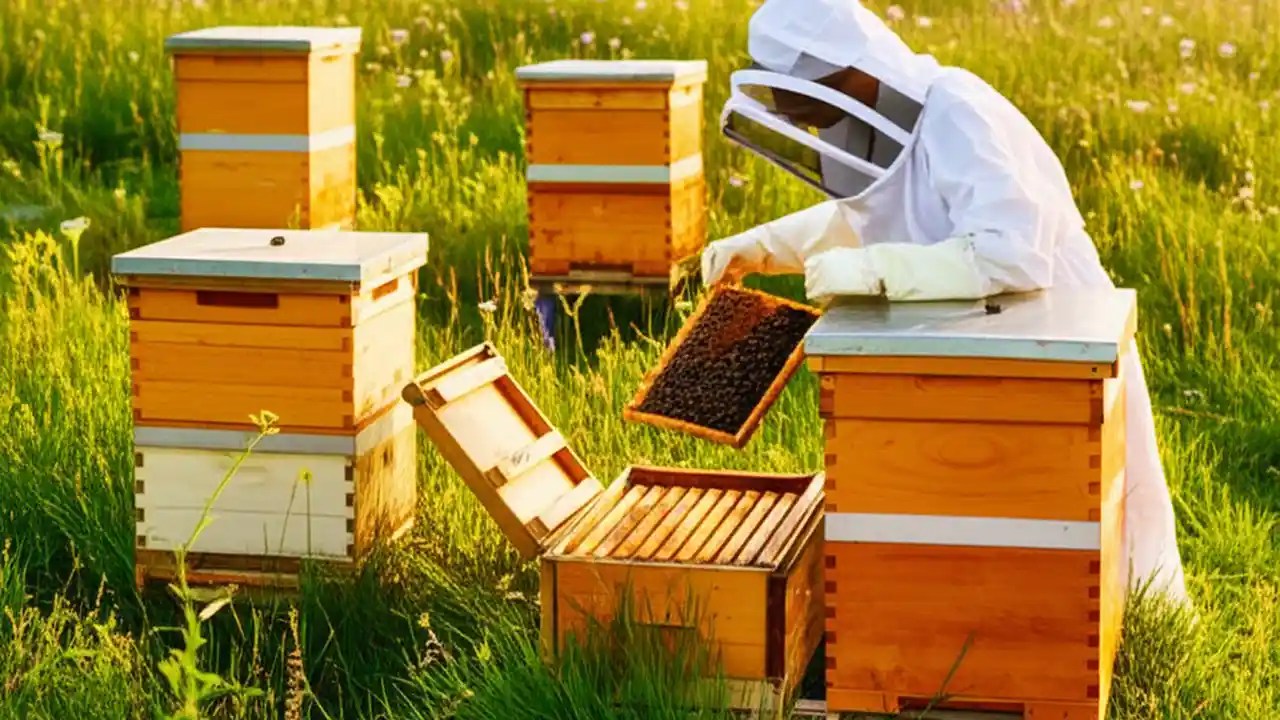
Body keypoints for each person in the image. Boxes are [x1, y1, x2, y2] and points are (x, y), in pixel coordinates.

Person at [701, 0, 1190, 604]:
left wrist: (875, 271)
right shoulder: (863, 118)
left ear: (842, 70)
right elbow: (875, 213)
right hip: (963, 318)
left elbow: (1011, 254)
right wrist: (763, 246)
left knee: (1083, 527)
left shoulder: (956, 111)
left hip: (1055, 326)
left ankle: (1132, 620)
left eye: (794, 94)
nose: (793, 114)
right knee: (966, 515)